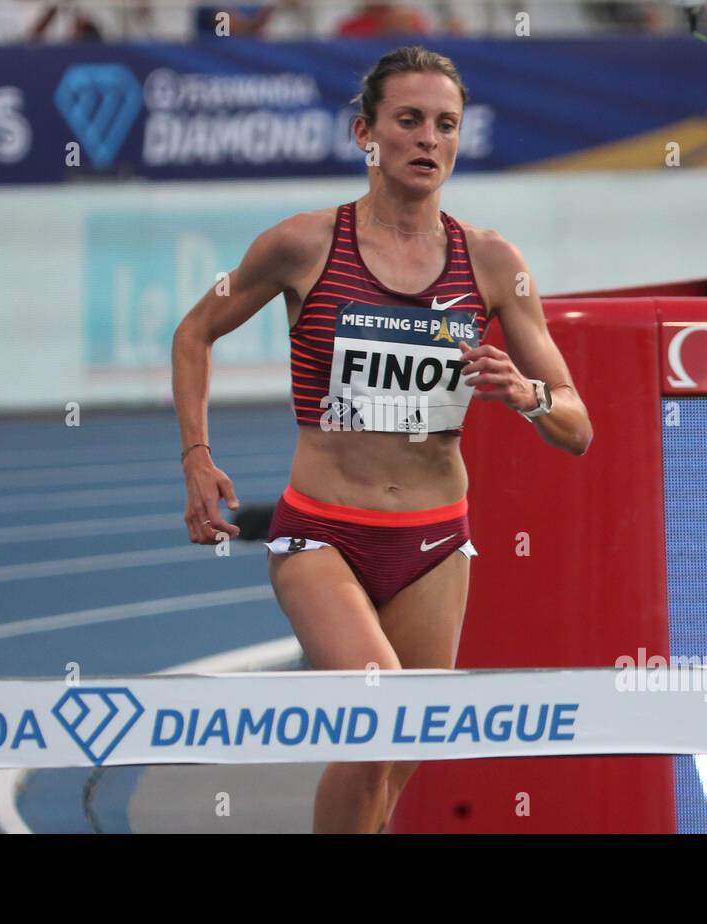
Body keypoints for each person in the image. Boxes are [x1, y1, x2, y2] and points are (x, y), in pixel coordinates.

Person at [171, 45, 592, 834]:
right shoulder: (301, 245)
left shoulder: (494, 264)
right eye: (409, 121)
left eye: (446, 125)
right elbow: (194, 332)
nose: (429, 140)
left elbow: (578, 426)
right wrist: (196, 456)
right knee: (381, 718)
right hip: (322, 532)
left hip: (435, 541)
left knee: (397, 752)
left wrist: (528, 396)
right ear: (366, 132)